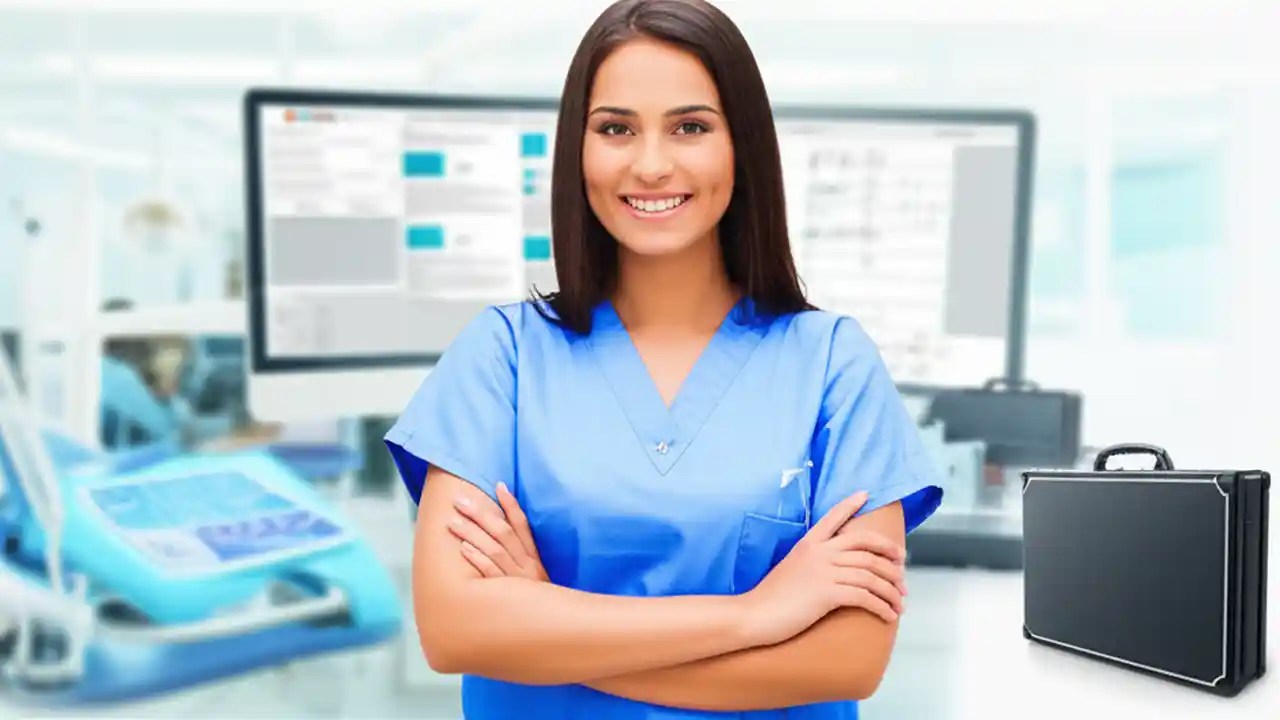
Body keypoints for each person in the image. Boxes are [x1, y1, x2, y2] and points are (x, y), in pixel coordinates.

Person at [384, 0, 943, 717]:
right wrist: (759, 615)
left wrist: (546, 623)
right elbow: (458, 630)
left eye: (690, 127)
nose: (650, 164)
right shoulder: (502, 356)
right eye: (615, 129)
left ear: (742, 144)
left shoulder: (834, 366)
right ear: (576, 150)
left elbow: (846, 660)